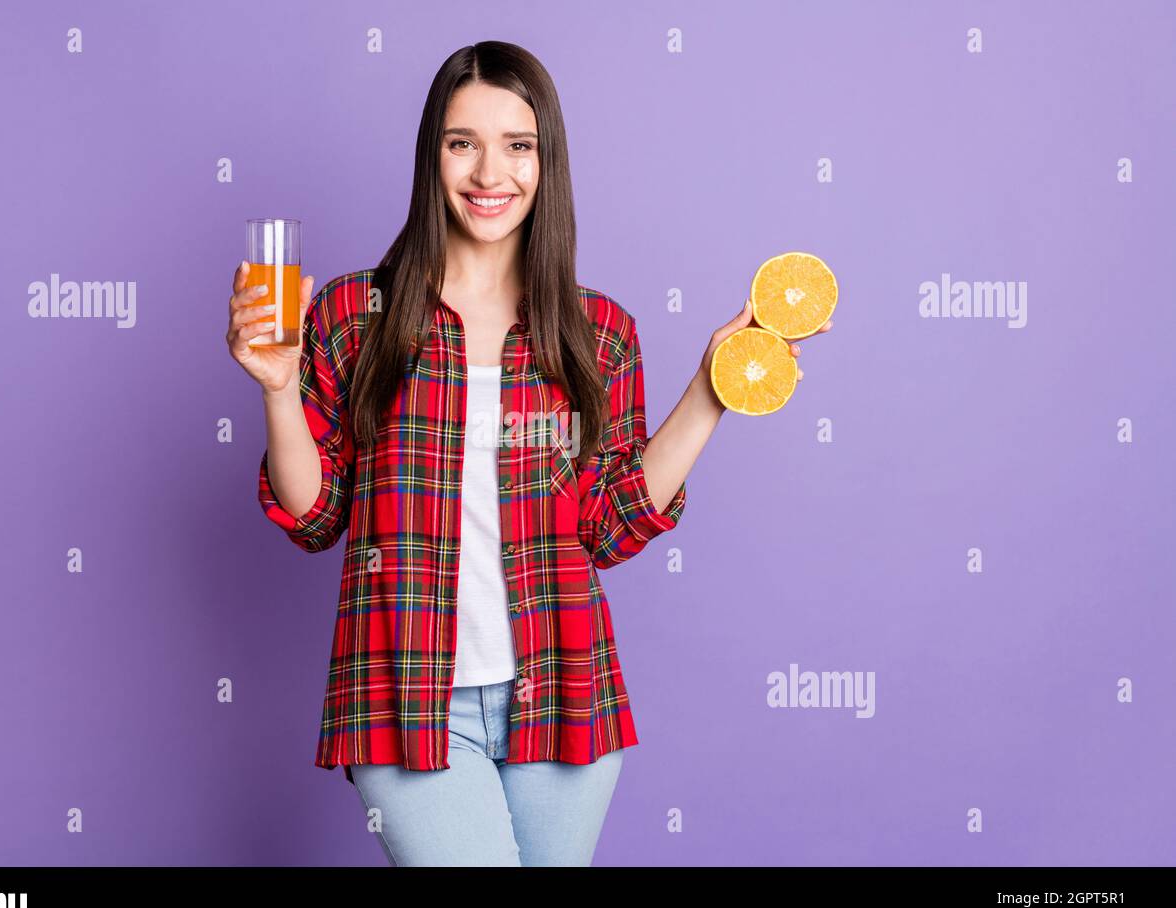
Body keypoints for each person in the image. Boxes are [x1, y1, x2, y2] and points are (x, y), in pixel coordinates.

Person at [225, 40, 828, 866]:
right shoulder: (349, 315)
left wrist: (711, 390)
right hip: (403, 698)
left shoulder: (597, 331)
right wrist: (277, 388)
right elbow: (315, 515)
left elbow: (608, 530)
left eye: (517, 146)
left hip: (565, 696)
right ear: (431, 155)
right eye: (461, 142)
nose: (488, 174)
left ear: (546, 164)